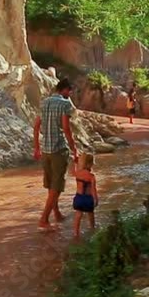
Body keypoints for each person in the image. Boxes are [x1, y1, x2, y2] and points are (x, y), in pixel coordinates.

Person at [33, 78, 78, 231]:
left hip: (45, 149)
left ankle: (57, 214)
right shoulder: (64, 104)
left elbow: (36, 126)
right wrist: (74, 149)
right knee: (57, 185)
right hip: (58, 148)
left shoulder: (45, 102)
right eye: (69, 91)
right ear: (64, 90)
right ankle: (44, 219)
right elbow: (66, 128)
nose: (70, 94)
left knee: (51, 183)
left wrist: (37, 148)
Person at [70, 153, 99, 237]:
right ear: (90, 164)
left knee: (78, 215)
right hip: (87, 198)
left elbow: (72, 172)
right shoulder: (91, 176)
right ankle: (92, 228)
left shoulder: (78, 173)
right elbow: (93, 190)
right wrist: (96, 199)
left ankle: (76, 232)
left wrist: (74, 163)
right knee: (91, 214)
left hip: (78, 197)